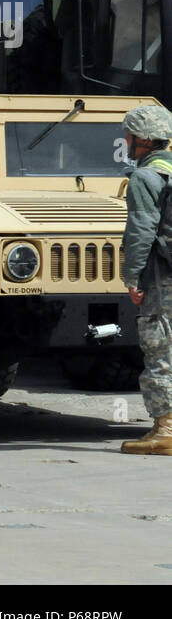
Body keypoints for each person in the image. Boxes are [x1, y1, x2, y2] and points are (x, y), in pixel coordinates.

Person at [120, 103, 172, 454]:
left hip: (163, 279)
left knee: (159, 350)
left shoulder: (144, 178)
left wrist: (131, 277)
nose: (125, 140)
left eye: (128, 135)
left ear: (142, 139)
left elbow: (141, 231)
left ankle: (165, 429)